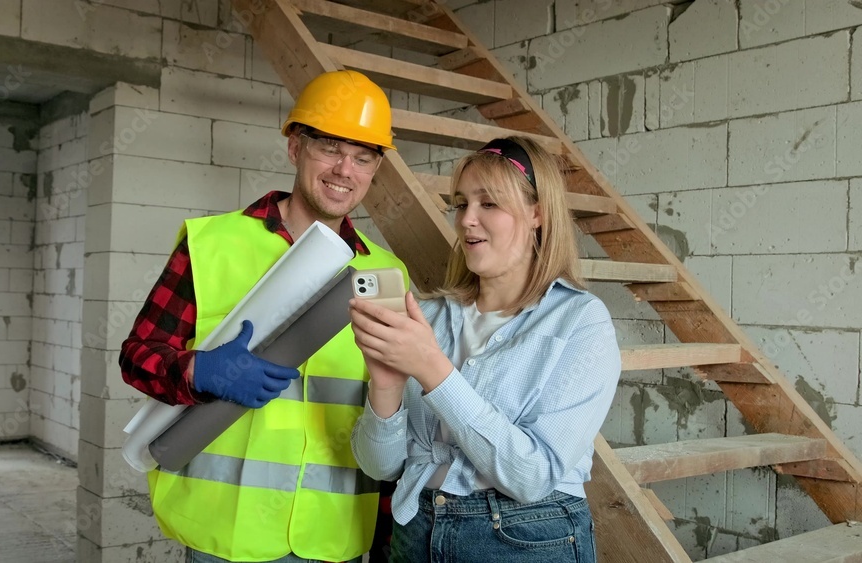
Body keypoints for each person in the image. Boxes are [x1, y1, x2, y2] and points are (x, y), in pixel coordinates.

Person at [119, 70, 408, 563]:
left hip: (332, 539)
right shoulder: (212, 244)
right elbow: (137, 356)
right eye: (330, 148)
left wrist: (383, 543)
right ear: (296, 147)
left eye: (363, 157)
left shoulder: (385, 273)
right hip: (223, 537)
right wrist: (201, 370)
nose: (345, 170)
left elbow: (388, 411)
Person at [348, 136, 621, 563]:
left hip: (525, 538)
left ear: (538, 214)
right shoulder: (428, 315)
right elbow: (379, 467)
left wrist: (433, 370)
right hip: (416, 531)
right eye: (461, 204)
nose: (466, 220)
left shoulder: (580, 321)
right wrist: (385, 387)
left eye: (488, 204)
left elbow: (532, 476)